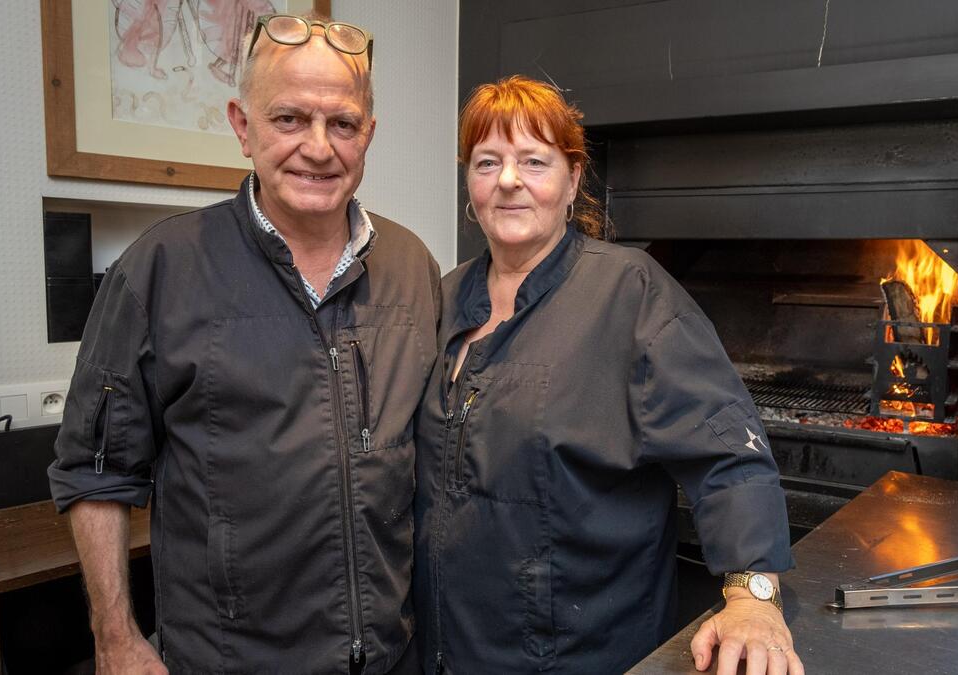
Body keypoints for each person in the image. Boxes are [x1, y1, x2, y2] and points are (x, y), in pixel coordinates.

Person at [49, 13, 438, 674]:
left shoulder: (411, 267)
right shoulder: (159, 270)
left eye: (342, 123)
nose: (319, 147)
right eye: (289, 119)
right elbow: (95, 470)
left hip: (389, 658)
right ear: (241, 125)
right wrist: (116, 636)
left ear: (367, 134)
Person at [413, 75, 801, 674]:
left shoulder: (631, 292)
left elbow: (727, 450)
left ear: (572, 180)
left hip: (579, 654)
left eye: (533, 161)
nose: (509, 181)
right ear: (470, 184)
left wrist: (752, 595)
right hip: (449, 648)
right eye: (487, 162)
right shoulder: (440, 298)